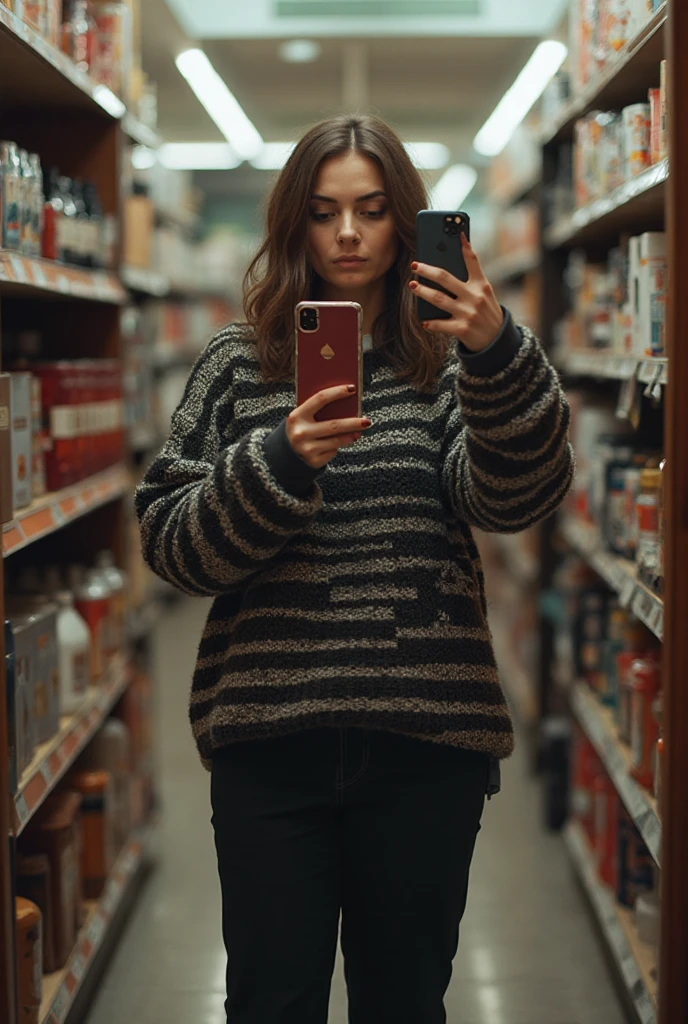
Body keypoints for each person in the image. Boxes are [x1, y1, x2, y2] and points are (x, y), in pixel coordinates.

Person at [135, 114, 574, 1024]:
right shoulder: (236, 362)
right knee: (271, 1001)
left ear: (405, 222)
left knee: (404, 1003)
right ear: (293, 222)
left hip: (426, 745)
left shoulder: (452, 364)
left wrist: (496, 355)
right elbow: (171, 545)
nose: (346, 234)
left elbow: (511, 499)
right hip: (269, 746)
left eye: (372, 212)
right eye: (324, 211)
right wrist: (280, 461)